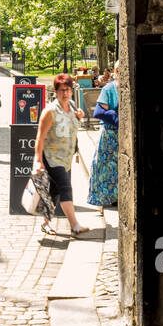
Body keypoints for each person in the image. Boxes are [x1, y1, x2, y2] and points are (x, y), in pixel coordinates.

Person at [32, 73, 90, 236]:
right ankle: (74, 225)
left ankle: (44, 222)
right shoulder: (50, 111)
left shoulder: (72, 106)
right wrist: (38, 160)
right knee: (66, 188)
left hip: (66, 158)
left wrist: (79, 116)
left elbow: (71, 126)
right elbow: (40, 137)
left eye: (68, 89)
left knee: (55, 192)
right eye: (62, 90)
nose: (65, 93)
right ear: (56, 91)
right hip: (52, 157)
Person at [87, 61, 119, 207]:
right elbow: (99, 112)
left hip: (123, 136)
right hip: (110, 135)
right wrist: (116, 117)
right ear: (116, 72)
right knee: (106, 169)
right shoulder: (109, 89)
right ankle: (108, 197)